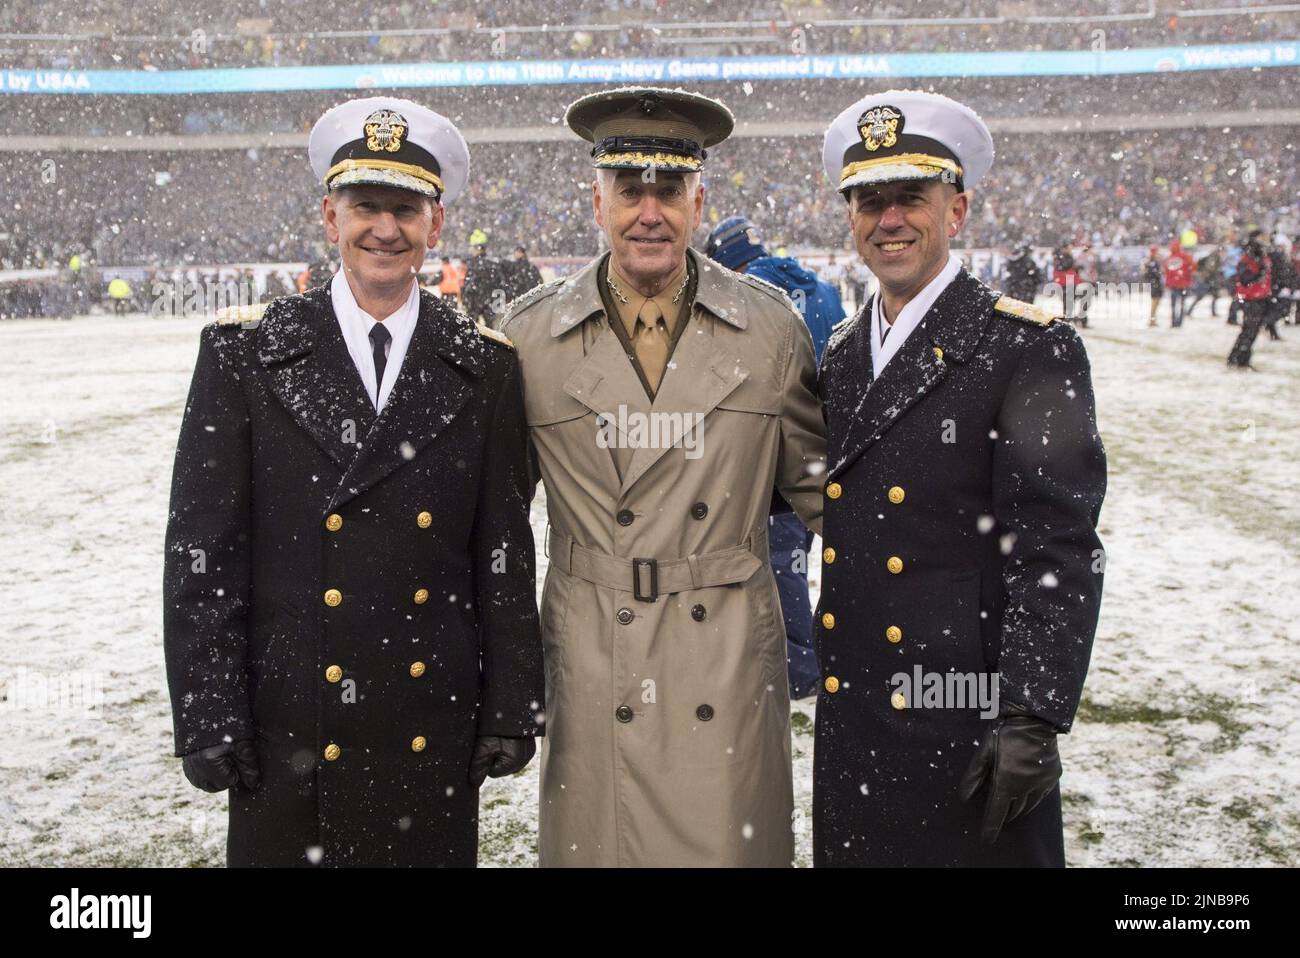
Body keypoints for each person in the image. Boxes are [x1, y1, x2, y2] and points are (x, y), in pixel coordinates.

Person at [163, 96, 544, 867]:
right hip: (288, 723)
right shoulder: (244, 356)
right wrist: (207, 711)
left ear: (435, 225)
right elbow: (203, 551)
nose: (385, 229)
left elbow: (502, 551)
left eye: (405, 209)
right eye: (365, 205)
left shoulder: (486, 366)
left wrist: (511, 702)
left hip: (426, 718)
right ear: (329, 215)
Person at [500, 87, 826, 867]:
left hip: (725, 659)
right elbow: (491, 520)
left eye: (670, 189)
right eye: (630, 188)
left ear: (698, 200)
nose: (650, 211)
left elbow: (832, 497)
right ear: (598, 199)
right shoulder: (530, 337)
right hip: (593, 659)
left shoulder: (771, 331)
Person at [814, 89, 1107, 867]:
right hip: (861, 714)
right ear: (850, 217)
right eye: (869, 202)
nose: (890, 220)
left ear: (959, 209)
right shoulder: (844, 354)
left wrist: (1031, 714)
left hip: (964, 718)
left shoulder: (1026, 349)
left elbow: (1058, 546)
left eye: (912, 197)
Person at [705, 214, 846, 700]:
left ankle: (799, 670)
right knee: (796, 561)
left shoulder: (749, 296)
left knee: (776, 568)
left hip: (770, 452)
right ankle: (806, 656)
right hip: (825, 446)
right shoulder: (817, 286)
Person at [1227, 229, 1272, 369]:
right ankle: (1239, 359)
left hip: (1259, 297)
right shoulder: (1249, 260)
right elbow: (1245, 279)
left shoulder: (1259, 258)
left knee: (1250, 330)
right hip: (1252, 298)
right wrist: (1259, 275)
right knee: (1249, 331)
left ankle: (1238, 358)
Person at [461, 234, 508, 326]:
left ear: (479, 250)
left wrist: (466, 299)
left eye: (474, 249)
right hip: (491, 301)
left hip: (475, 301)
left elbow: (468, 283)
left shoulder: (473, 264)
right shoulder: (493, 263)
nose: (472, 252)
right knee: (492, 327)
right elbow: (501, 283)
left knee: (472, 327)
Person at [1163, 239, 1194, 327]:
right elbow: (1191, 268)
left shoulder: (1169, 258)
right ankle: (1180, 322)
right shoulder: (1186, 257)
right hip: (1183, 284)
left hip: (1173, 284)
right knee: (1182, 304)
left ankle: (1173, 322)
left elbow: (1167, 272)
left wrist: (1168, 282)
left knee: (1173, 304)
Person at [1142, 244, 1164, 327]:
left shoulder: (1151, 262)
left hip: (1155, 283)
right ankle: (1152, 320)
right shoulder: (1152, 262)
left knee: (1156, 303)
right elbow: (1153, 274)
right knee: (1155, 303)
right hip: (1155, 284)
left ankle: (1153, 319)